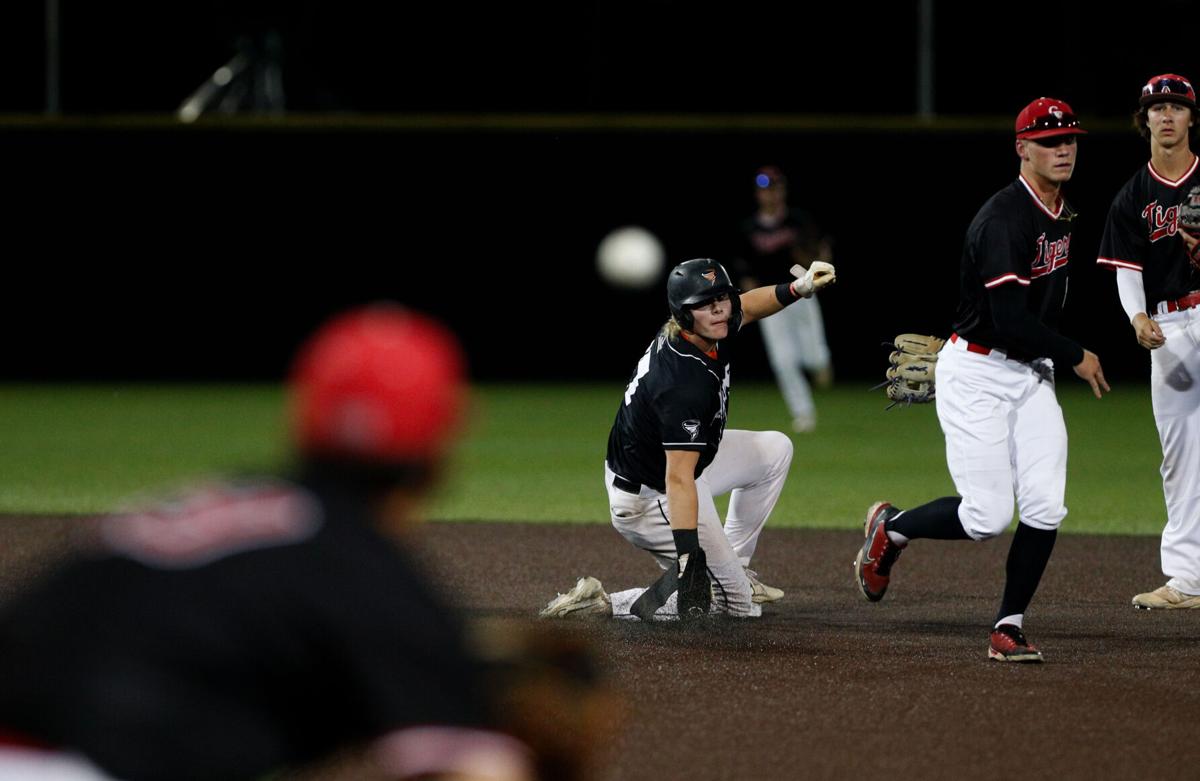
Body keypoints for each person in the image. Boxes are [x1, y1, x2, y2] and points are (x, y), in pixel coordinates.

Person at [0, 305, 536, 780]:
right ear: (440, 454)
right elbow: (477, 770)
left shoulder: (212, 500)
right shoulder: (367, 573)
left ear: (302, 420)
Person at [853, 97, 1109, 662]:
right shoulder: (1002, 218)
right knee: (987, 516)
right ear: (1022, 149)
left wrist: (1051, 355)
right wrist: (1075, 353)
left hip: (1030, 373)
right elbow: (1010, 318)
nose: (1063, 148)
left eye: (1069, 138)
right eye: (1048, 141)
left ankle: (1008, 625)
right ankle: (891, 529)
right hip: (978, 372)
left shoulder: (1063, 207)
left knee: (1045, 505)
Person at [541, 256, 836, 621]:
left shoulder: (709, 326)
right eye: (704, 305)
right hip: (651, 497)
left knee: (775, 450)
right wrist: (688, 557)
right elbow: (678, 478)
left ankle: (732, 568)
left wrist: (798, 289)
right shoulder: (682, 382)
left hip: (679, 465)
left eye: (722, 299)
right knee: (737, 605)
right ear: (683, 314)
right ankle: (605, 604)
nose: (719, 310)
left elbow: (749, 305)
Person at [1096, 73, 1200, 610]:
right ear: (1145, 121)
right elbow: (1126, 269)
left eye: (1175, 107)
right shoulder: (1132, 196)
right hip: (1170, 330)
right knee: (1180, 456)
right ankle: (1186, 580)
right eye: (1156, 107)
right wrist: (1136, 316)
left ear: (1189, 119)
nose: (1165, 115)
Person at [732, 165, 835, 433]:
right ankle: (803, 414)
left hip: (801, 292)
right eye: (766, 189)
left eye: (776, 188)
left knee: (812, 357)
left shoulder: (798, 221)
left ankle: (821, 362)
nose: (771, 194)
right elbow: (744, 268)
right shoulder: (749, 228)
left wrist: (816, 260)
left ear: (783, 191)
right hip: (769, 298)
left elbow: (820, 250)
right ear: (758, 194)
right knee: (782, 360)